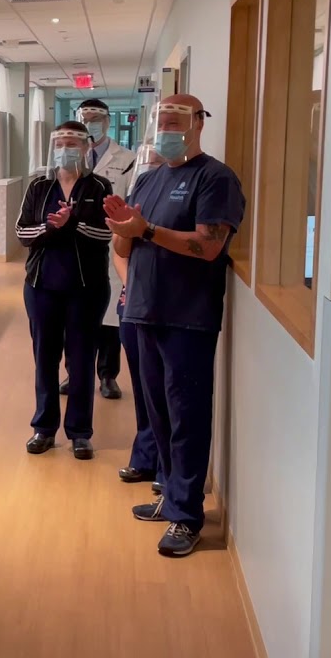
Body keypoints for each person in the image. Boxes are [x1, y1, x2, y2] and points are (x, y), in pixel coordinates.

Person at [104, 95, 245, 557]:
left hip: (188, 316)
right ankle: (169, 492)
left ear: (198, 125)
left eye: (174, 121)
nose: (164, 129)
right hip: (143, 311)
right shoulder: (147, 179)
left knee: (187, 415)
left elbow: (208, 246)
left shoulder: (215, 178)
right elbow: (127, 243)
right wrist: (125, 232)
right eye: (160, 121)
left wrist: (146, 231)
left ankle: (187, 515)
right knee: (156, 413)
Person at [17, 121, 114, 459]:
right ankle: (43, 429)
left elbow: (107, 235)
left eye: (73, 142)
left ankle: (80, 433)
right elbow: (22, 233)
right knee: (44, 358)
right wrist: (51, 227)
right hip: (42, 287)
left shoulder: (100, 186)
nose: (66, 148)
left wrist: (72, 224)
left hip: (87, 289)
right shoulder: (39, 187)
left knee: (82, 359)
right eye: (60, 142)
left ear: (86, 148)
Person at [56, 99, 137, 402]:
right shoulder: (67, 159)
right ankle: (74, 373)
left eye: (96, 117)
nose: (90, 122)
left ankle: (108, 375)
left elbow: (131, 199)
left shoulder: (127, 158)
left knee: (108, 319)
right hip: (75, 246)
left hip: (112, 243)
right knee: (72, 318)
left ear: (106, 121)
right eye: (85, 117)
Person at [111, 162, 164, 497]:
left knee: (166, 392)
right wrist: (134, 286)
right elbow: (119, 249)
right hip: (134, 304)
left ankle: (166, 467)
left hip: (171, 306)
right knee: (144, 386)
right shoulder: (140, 191)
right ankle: (145, 456)